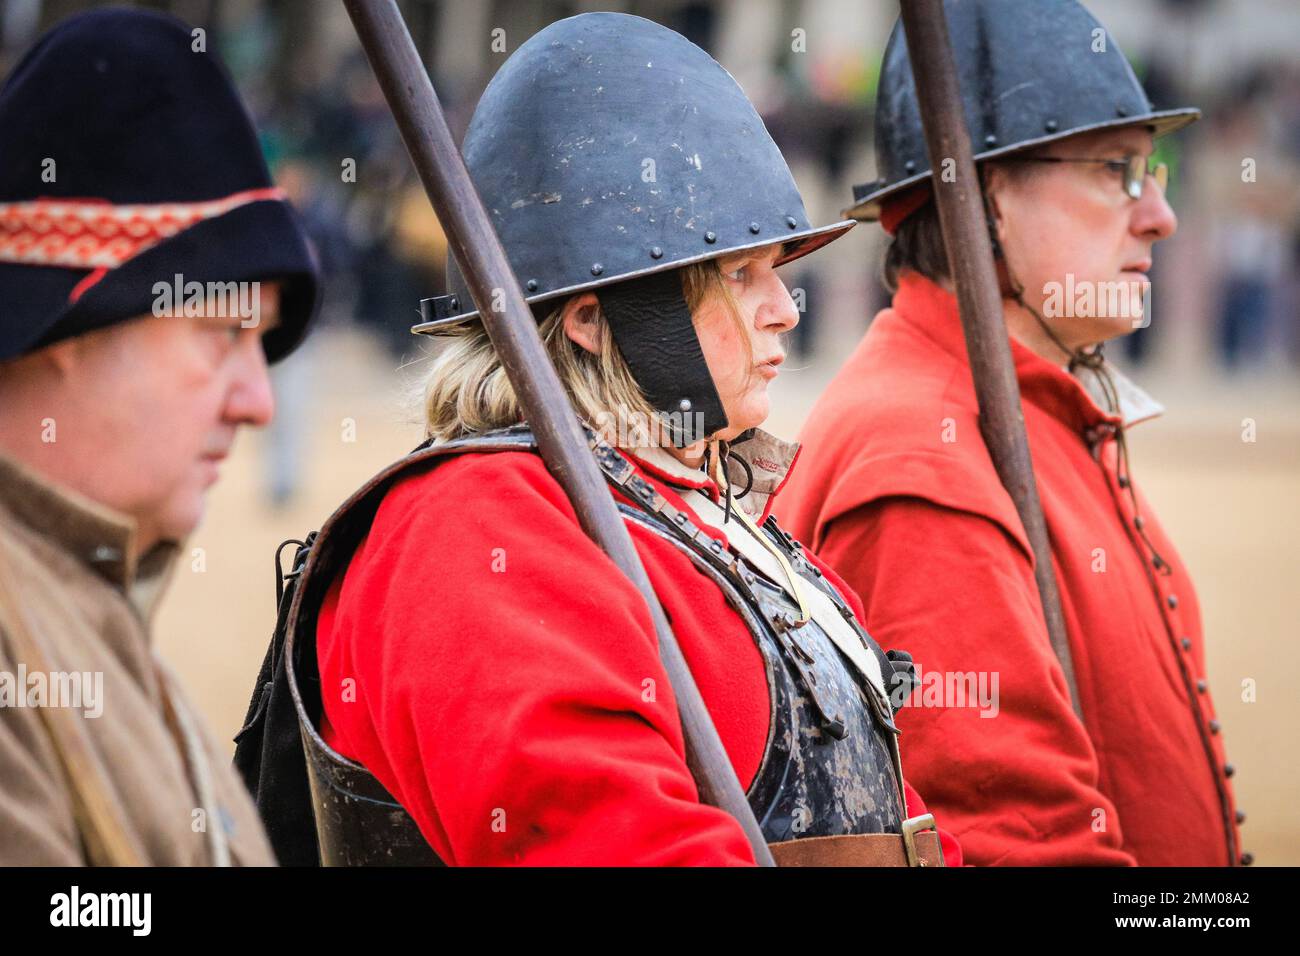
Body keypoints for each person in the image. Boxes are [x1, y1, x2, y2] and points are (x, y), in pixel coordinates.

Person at [237, 12, 960, 867]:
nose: (786, 310)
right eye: (740, 274)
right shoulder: (475, 526)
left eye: (780, 271)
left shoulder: (712, 511)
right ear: (594, 317)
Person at [777, 0, 1246, 866]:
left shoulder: (1023, 407)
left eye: (1153, 174)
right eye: (1116, 171)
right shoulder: (921, 452)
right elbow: (1016, 848)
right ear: (987, 198)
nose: (1158, 218)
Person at [0, 9, 319, 865]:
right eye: (222, 331)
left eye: (264, 343)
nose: (259, 403)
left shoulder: (89, 601)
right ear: (68, 326)